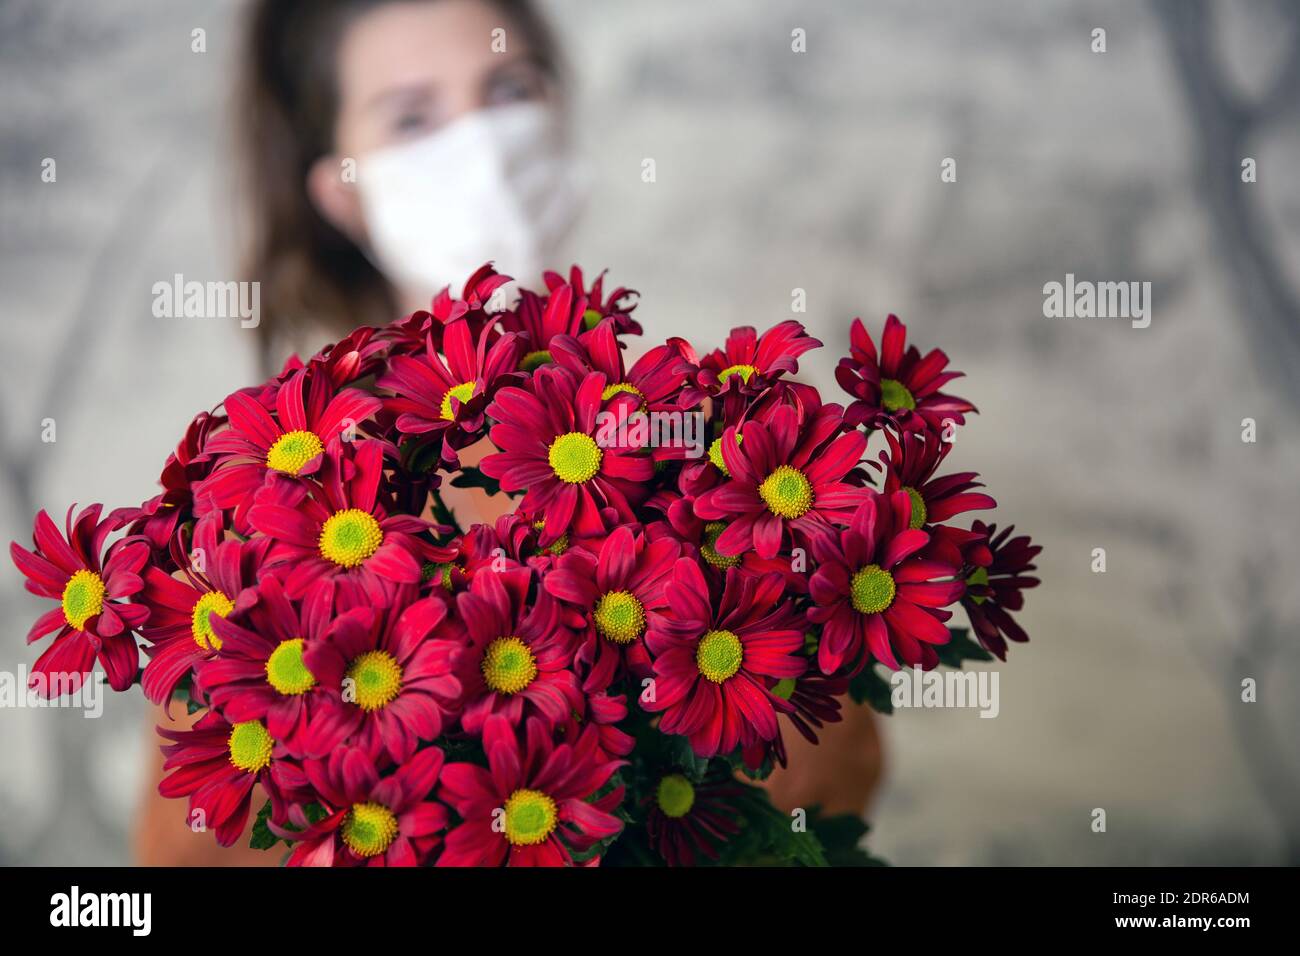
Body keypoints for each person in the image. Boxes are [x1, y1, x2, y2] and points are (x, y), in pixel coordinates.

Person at [134, 0, 881, 865]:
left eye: (508, 89)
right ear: (342, 191)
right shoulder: (259, 527)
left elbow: (833, 771)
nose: (482, 143)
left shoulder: (704, 443)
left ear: (558, 112)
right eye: (413, 117)